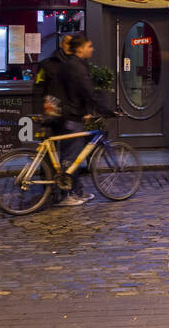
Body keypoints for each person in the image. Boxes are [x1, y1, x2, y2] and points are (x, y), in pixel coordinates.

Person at [38, 33, 119, 207]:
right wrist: (105, 110)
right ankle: (65, 195)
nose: (92, 49)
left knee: (73, 157)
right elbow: (85, 92)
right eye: (89, 46)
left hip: (65, 113)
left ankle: (75, 191)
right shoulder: (69, 65)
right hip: (66, 115)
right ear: (78, 48)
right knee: (70, 157)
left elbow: (78, 92)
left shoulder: (71, 64)